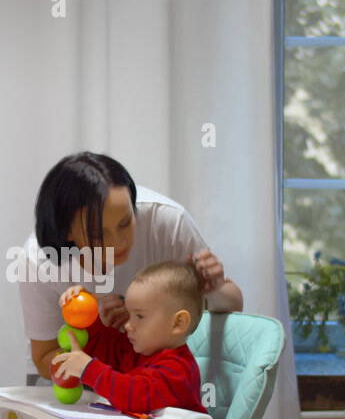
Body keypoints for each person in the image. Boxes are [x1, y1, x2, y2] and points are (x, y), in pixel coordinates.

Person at [20, 151, 243, 380]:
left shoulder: (167, 223)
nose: (119, 242)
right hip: (76, 384)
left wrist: (211, 287)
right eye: (99, 235)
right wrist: (92, 353)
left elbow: (233, 304)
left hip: (155, 377)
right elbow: (44, 356)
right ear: (67, 231)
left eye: (126, 223)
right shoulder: (38, 260)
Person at [51, 261, 206, 414]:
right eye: (129, 314)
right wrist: (85, 313)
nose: (128, 325)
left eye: (139, 316)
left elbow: (136, 396)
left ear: (178, 323)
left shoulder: (178, 371)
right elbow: (103, 347)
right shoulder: (135, 349)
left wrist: (89, 369)